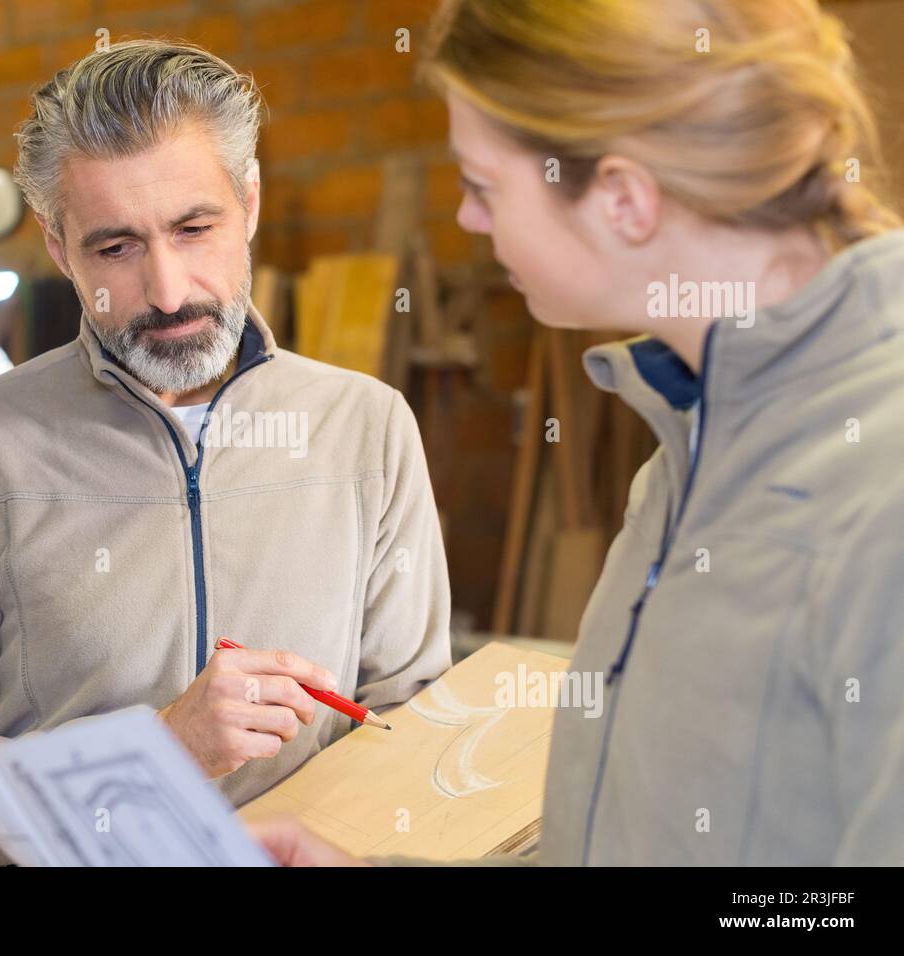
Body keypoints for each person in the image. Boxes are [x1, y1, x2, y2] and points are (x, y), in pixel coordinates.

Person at [252, 0, 904, 866]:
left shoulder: (878, 484)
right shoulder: (685, 453)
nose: (468, 222)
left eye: (483, 187)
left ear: (625, 199)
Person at [0, 40, 451, 866]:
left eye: (195, 228)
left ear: (251, 202)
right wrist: (164, 750)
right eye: (115, 248)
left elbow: (414, 745)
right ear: (59, 248)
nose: (167, 292)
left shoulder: (368, 428)